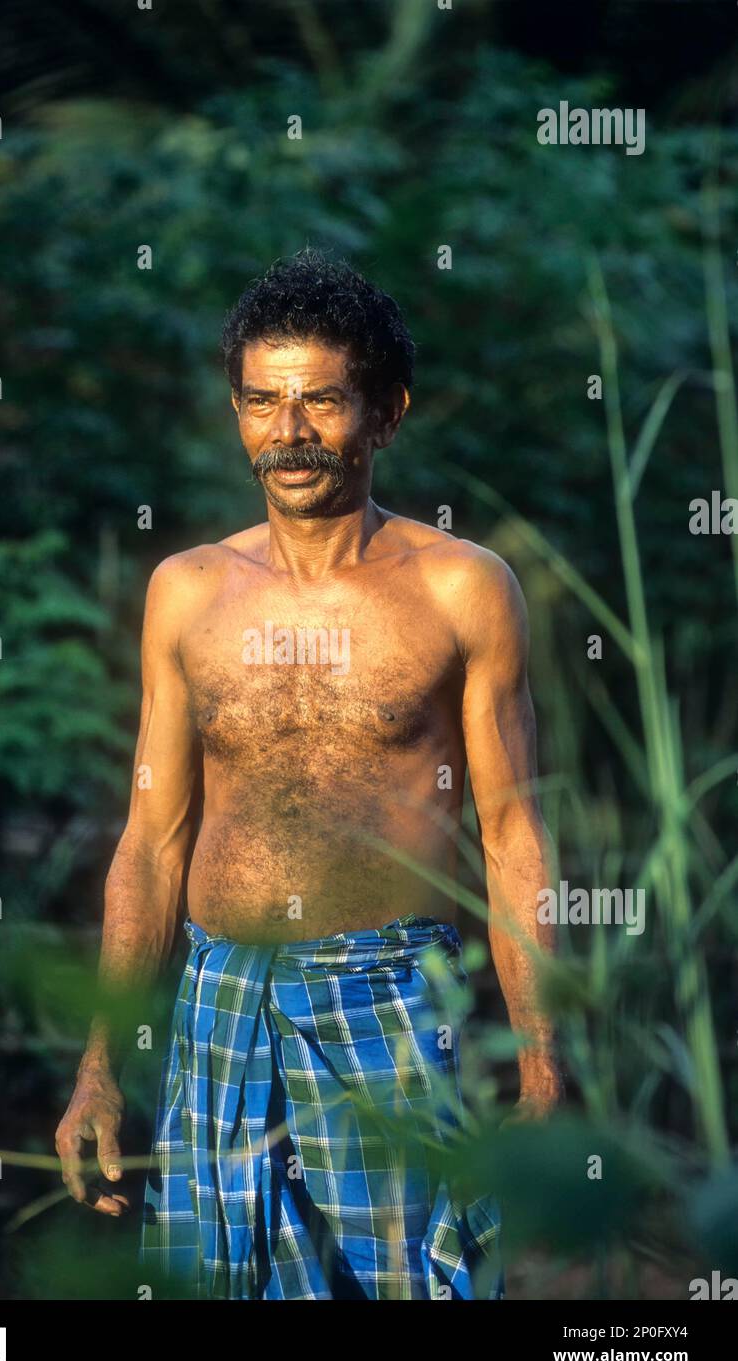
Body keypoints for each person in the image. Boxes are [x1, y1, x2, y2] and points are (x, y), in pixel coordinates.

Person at [55, 248, 564, 1300]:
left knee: (420, 1281)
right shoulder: (186, 592)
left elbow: (515, 834)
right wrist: (100, 1067)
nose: (287, 432)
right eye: (260, 402)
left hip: (389, 1001)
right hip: (218, 1004)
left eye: (321, 401)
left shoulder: (462, 589)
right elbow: (149, 844)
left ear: (385, 413)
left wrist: (543, 1058)